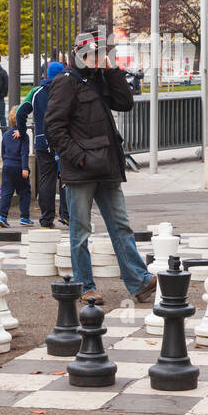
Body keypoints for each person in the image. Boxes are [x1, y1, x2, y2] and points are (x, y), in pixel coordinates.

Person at [44, 29, 155, 306]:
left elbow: (126, 102)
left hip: (106, 165)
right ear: (81, 55)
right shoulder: (66, 82)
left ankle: (139, 281)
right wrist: (77, 156)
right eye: (94, 54)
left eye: (102, 53)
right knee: (80, 231)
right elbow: (53, 127)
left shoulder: (100, 79)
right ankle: (85, 285)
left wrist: (113, 70)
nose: (99, 58)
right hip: (81, 170)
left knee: (121, 226)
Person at [16, 60, 69, 228]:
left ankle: (46, 218)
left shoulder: (36, 91)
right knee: (66, 178)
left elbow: (20, 112)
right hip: (64, 140)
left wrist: (22, 130)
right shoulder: (66, 90)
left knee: (47, 178)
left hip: (42, 140)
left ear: (45, 74)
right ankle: (67, 215)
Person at [0, 107, 34, 228]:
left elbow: (3, 151)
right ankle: (24, 217)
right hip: (19, 166)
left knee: (6, 192)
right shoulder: (24, 136)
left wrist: (6, 162)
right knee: (24, 192)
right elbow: (24, 153)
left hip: (7, 166)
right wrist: (25, 168)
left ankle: (2, 216)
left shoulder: (6, 134)